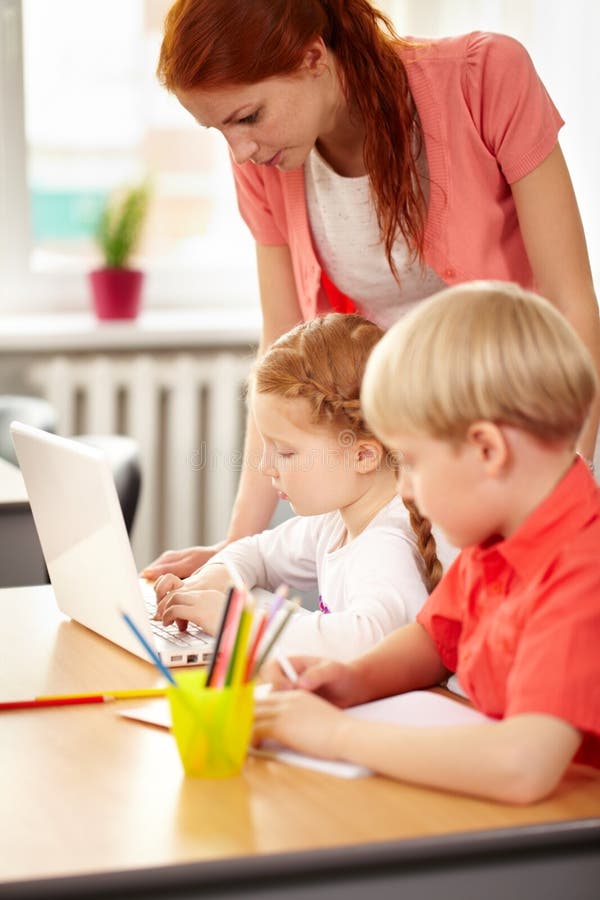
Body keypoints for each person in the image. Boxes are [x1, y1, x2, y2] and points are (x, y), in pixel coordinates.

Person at [142, 0, 600, 581]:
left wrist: (563, 489)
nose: (241, 150)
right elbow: (279, 350)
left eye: (248, 117)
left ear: (313, 56)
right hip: (397, 471)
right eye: (219, 129)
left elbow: (571, 302)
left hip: (518, 455)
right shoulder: (264, 161)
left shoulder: (486, 79)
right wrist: (237, 546)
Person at [253, 282, 600, 804]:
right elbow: (434, 642)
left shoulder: (583, 571)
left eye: (412, 462)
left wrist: (338, 737)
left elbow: (522, 767)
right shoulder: (500, 537)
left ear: (486, 448)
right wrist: (349, 680)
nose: (405, 488)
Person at [153, 313, 456, 659]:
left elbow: (371, 641)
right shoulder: (336, 520)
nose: (266, 465)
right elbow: (259, 553)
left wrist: (235, 621)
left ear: (363, 456)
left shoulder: (386, 543)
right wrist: (215, 578)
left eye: (284, 451)